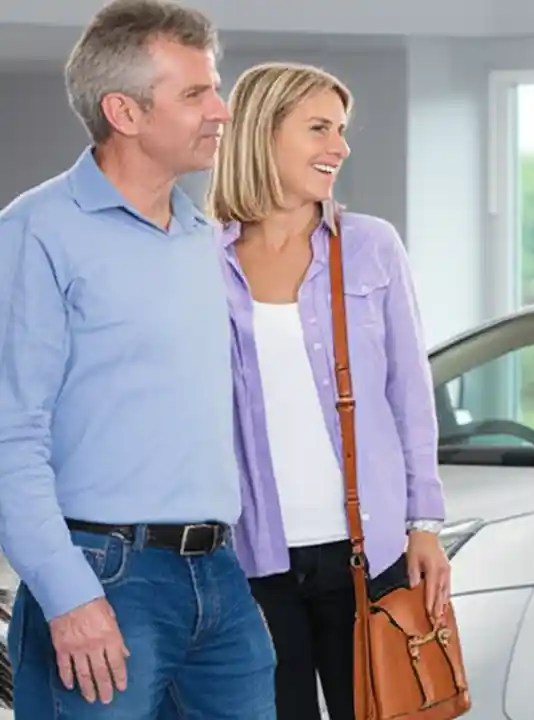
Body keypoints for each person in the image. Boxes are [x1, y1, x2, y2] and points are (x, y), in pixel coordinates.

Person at [0, 0, 276, 717]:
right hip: (102, 578)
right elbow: (9, 434)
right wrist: (68, 597)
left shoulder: (200, 235)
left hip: (218, 578)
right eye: (195, 93)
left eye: (214, 86)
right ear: (124, 112)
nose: (221, 108)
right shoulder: (35, 233)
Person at [205, 62, 451, 720]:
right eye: (318, 129)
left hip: (368, 555)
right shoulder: (200, 258)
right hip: (251, 558)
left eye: (340, 131)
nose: (338, 147)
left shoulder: (371, 246)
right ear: (262, 134)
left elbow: (410, 392)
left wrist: (424, 524)